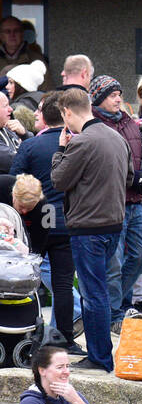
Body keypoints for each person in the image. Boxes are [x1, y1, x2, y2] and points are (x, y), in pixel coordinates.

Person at [50, 88, 131, 372]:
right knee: (101, 291)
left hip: (88, 228)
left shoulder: (81, 142)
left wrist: (60, 149)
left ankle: (99, 357)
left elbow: (58, 180)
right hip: (114, 225)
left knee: (92, 293)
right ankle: (101, 354)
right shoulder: (117, 138)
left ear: (67, 112)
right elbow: (130, 176)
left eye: (63, 117)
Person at [12, 92, 78, 351]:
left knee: (25, 280)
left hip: (36, 221)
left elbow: (15, 179)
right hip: (68, 220)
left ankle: (26, 332)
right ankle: (65, 340)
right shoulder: (76, 143)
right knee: (62, 285)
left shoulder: (31, 146)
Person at [87, 75, 142, 329]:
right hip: (112, 204)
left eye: (119, 94)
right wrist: (127, 178)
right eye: (112, 95)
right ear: (99, 99)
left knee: (141, 256)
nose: (118, 99)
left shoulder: (129, 122)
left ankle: (115, 303)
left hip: (136, 202)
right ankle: (114, 313)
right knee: (113, 263)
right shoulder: (92, 126)